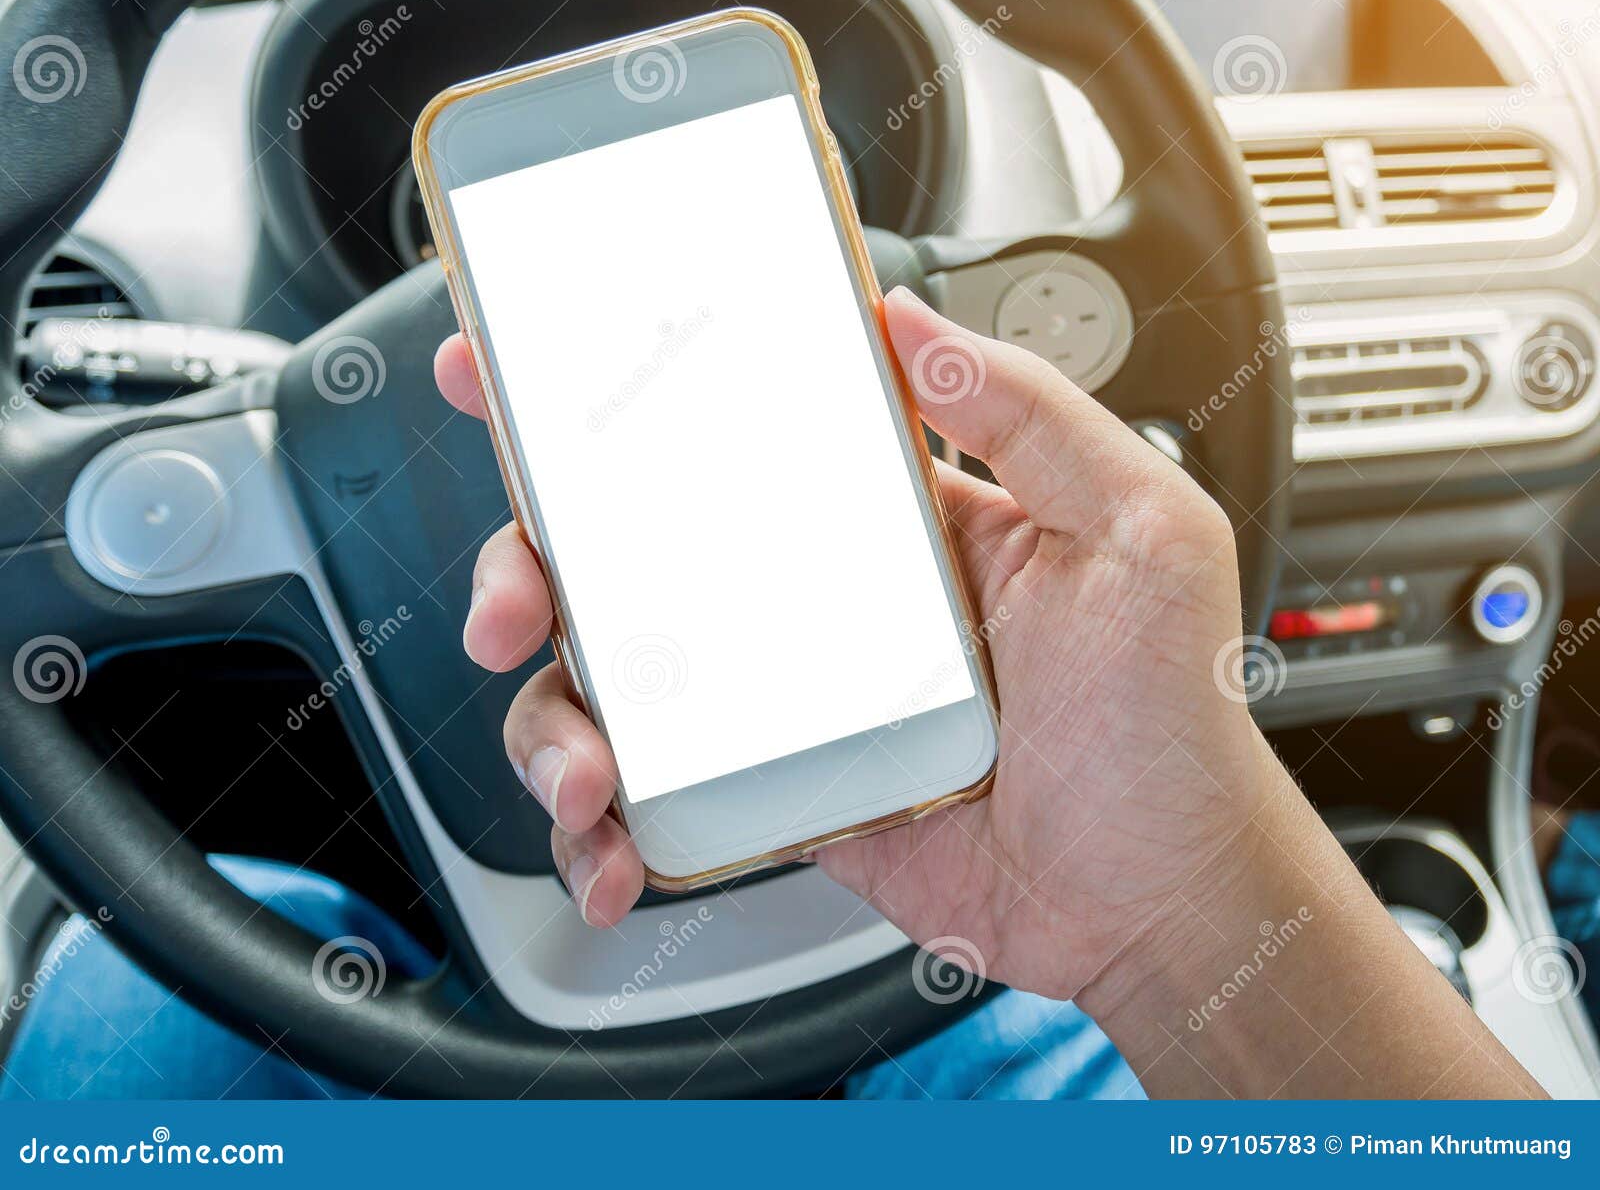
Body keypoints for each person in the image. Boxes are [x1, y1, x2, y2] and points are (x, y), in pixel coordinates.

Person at [0, 289, 1548, 1100]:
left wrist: (1174, 904)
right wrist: (1188, 921)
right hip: (990, 1020)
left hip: (960, 952)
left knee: (126, 985)